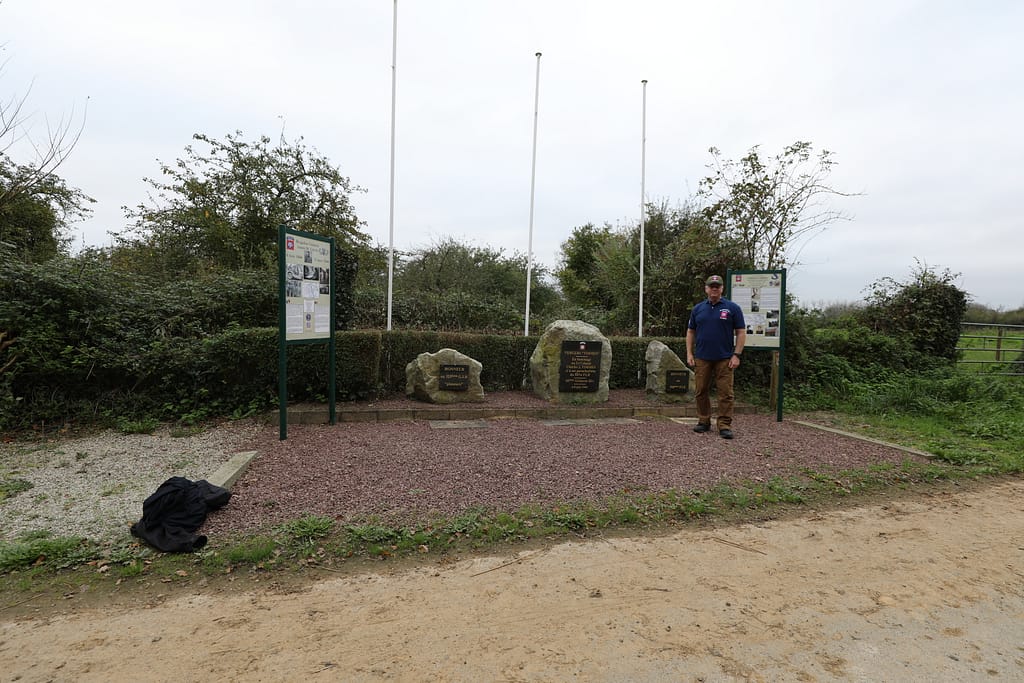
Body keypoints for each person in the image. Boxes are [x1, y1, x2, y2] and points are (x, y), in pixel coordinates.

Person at [686, 275, 746, 439]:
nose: (714, 289)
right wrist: (689, 353)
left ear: (722, 289)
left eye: (717, 286)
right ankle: (704, 421)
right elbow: (691, 332)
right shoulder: (698, 309)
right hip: (702, 357)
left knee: (725, 393)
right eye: (711, 286)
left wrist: (737, 355)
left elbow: (741, 332)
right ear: (706, 288)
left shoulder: (732, 308)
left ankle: (724, 425)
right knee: (700, 391)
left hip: (725, 358)